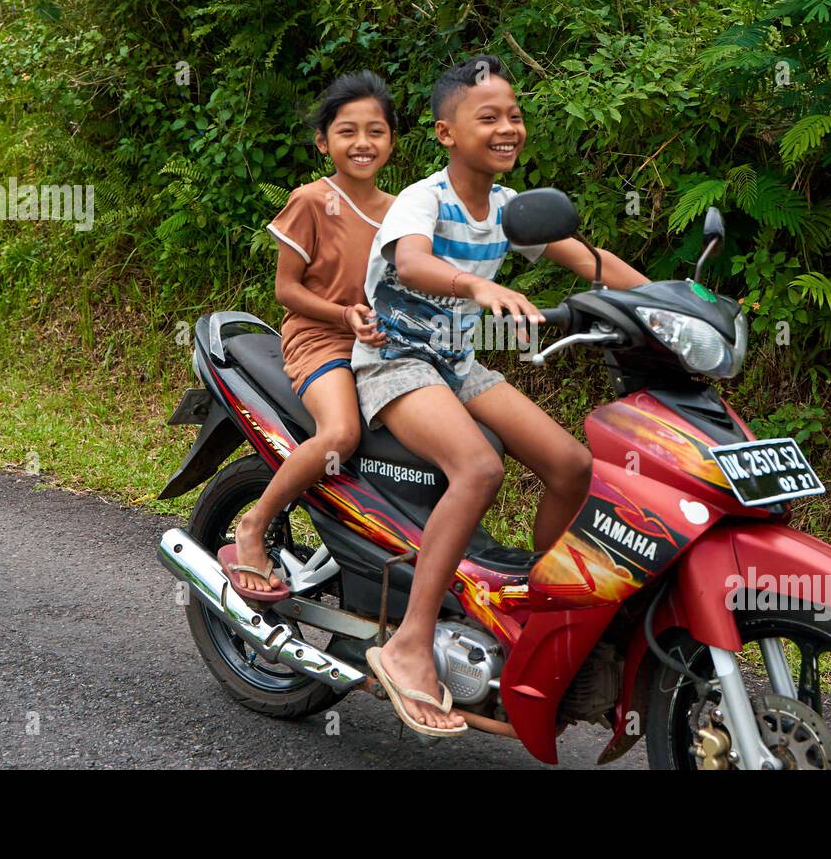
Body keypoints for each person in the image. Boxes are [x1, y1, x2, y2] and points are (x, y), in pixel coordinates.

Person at [354, 55, 648, 735]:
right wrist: (476, 285)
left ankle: (540, 613)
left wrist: (678, 301)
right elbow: (412, 262)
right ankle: (408, 642)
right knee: (479, 467)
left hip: (456, 364)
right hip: (394, 362)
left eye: (513, 114)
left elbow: (591, 262)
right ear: (445, 133)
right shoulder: (423, 198)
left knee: (573, 467)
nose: (508, 127)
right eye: (488, 117)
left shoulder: (514, 210)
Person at [221, 71, 394, 600]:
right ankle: (254, 525)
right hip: (321, 342)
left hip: (384, 345)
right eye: (347, 132)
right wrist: (345, 316)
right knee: (341, 435)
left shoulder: (402, 210)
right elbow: (286, 290)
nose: (362, 143)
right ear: (324, 142)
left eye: (376, 131)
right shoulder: (311, 201)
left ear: (391, 139)